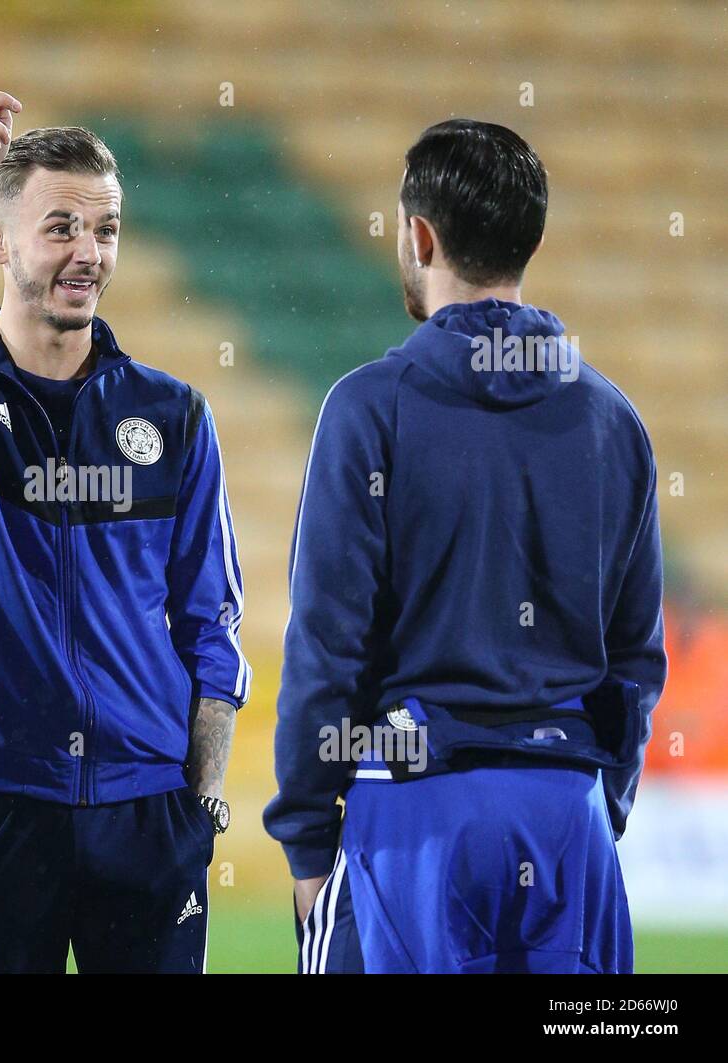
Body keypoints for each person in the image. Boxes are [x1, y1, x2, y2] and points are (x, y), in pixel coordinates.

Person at [0, 53, 251, 974]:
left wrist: (197, 802)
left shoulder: (172, 415)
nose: (90, 250)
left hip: (145, 812)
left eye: (107, 228)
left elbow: (212, 623)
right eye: (62, 227)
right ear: (0, 244)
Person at [263, 119, 667, 974]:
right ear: (533, 238)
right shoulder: (613, 420)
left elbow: (326, 645)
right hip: (567, 816)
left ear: (419, 235)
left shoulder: (368, 409)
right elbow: (636, 658)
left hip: (414, 811)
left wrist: (304, 836)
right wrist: (597, 801)